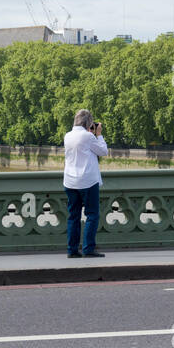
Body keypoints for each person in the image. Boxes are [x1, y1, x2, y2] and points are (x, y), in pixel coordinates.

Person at [63, 108, 108, 258]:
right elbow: (103, 151)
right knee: (92, 215)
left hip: (70, 181)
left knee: (73, 216)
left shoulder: (67, 136)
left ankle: (72, 250)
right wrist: (99, 134)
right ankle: (88, 249)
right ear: (88, 123)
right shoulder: (88, 137)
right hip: (87, 181)